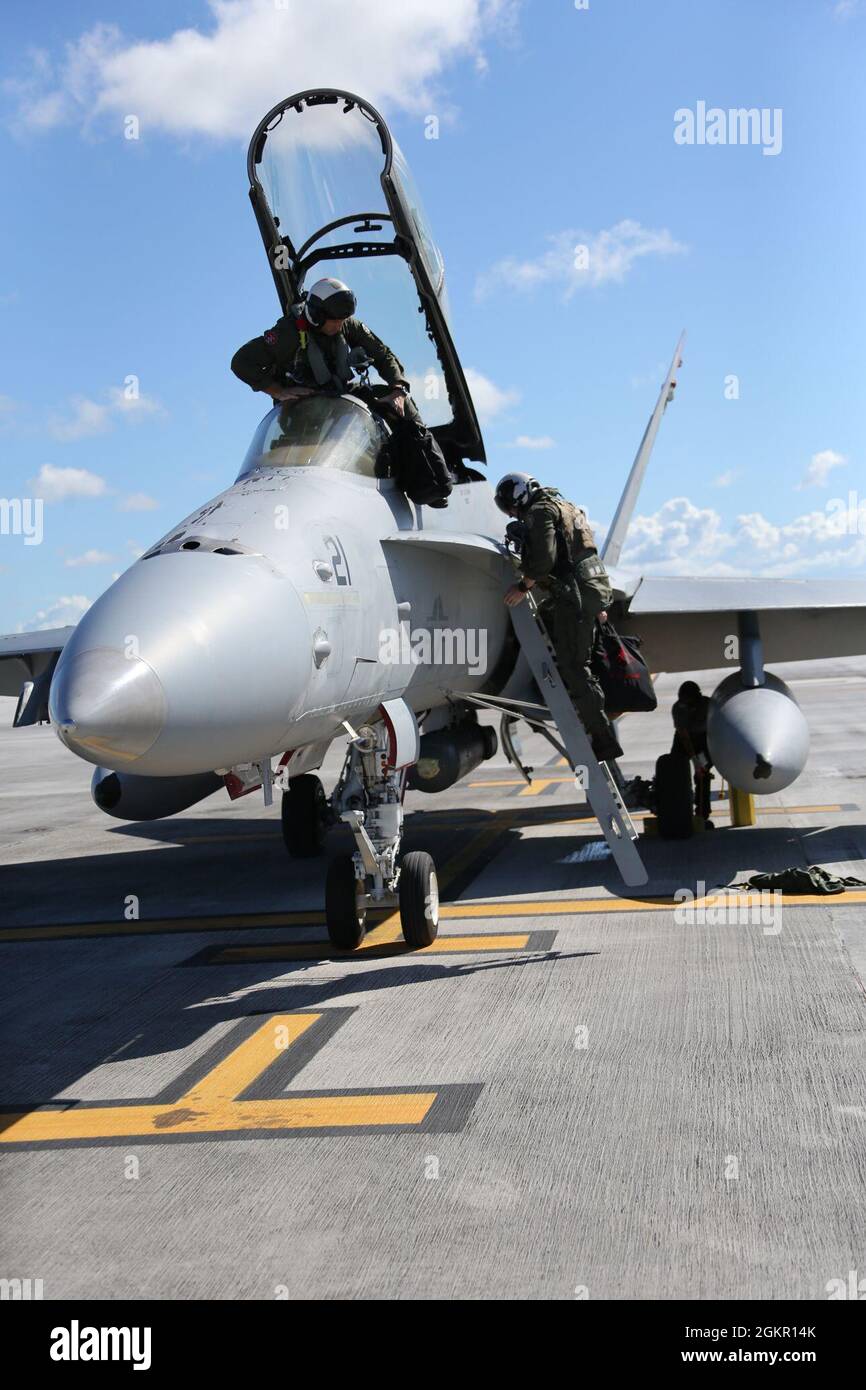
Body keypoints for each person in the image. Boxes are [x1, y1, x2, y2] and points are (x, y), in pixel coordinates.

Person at [231, 276, 450, 506]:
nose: (339, 325)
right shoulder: (287, 334)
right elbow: (242, 362)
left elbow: (383, 354)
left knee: (402, 406)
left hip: (342, 394)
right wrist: (276, 390)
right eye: (334, 320)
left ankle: (429, 483)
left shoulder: (347, 325)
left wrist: (397, 388)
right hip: (303, 405)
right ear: (317, 314)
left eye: (343, 320)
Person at [496, 472, 623, 763]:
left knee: (574, 667)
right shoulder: (564, 505)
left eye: (511, 507)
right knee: (548, 616)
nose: (513, 513)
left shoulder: (541, 512)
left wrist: (522, 586)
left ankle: (601, 738)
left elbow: (543, 562)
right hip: (592, 586)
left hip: (576, 595)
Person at [670, 680, 714, 821]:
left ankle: (702, 813)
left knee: (703, 774)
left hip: (702, 741)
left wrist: (700, 764)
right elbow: (683, 735)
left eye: (687, 701)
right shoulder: (678, 708)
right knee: (676, 771)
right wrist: (694, 760)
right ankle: (678, 809)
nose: (684, 703)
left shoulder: (708, 705)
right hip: (683, 742)